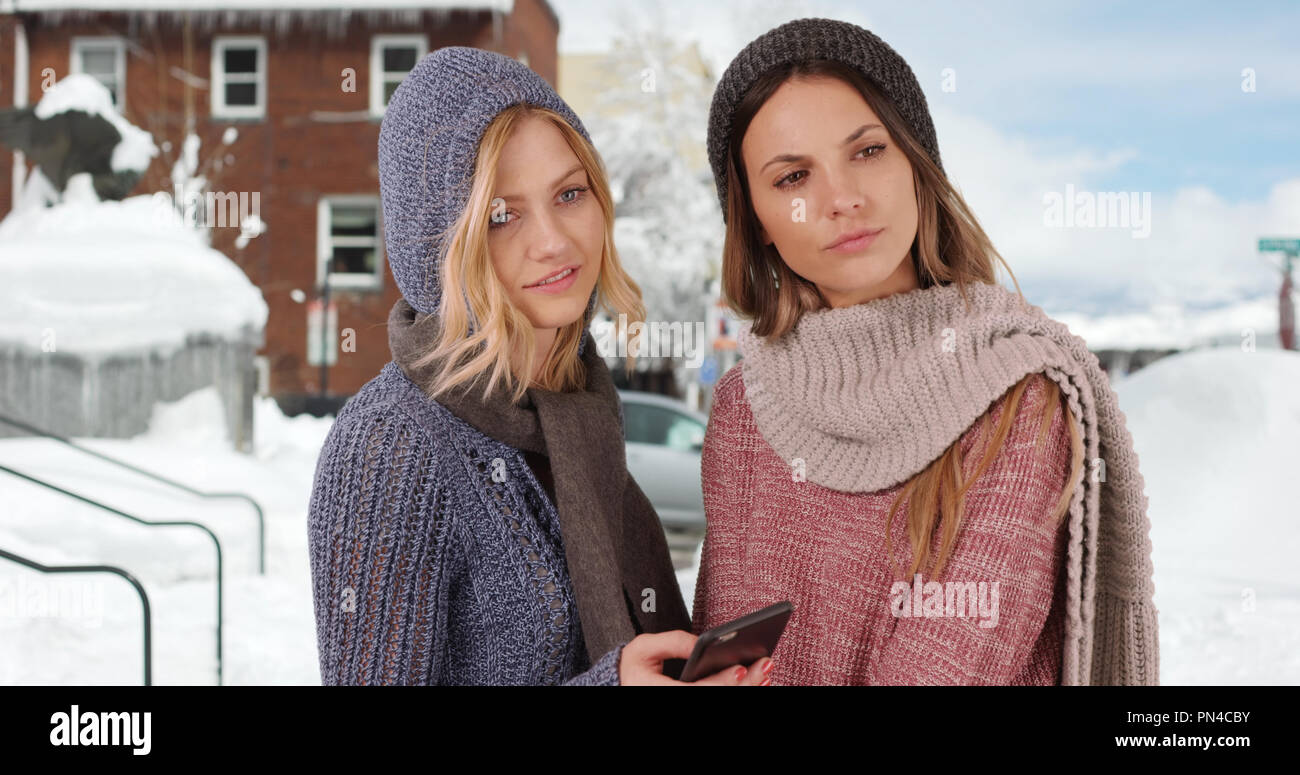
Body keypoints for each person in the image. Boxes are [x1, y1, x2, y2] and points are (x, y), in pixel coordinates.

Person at [694, 18, 1159, 685]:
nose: (843, 198)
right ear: (757, 223)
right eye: (794, 176)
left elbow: (946, 669)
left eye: (868, 150)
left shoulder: (1017, 391)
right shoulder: (744, 405)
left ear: (916, 160)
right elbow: (730, 658)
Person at [307, 47, 772, 686]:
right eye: (502, 215)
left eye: (570, 193)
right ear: (438, 246)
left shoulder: (578, 409)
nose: (554, 240)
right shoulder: (392, 447)